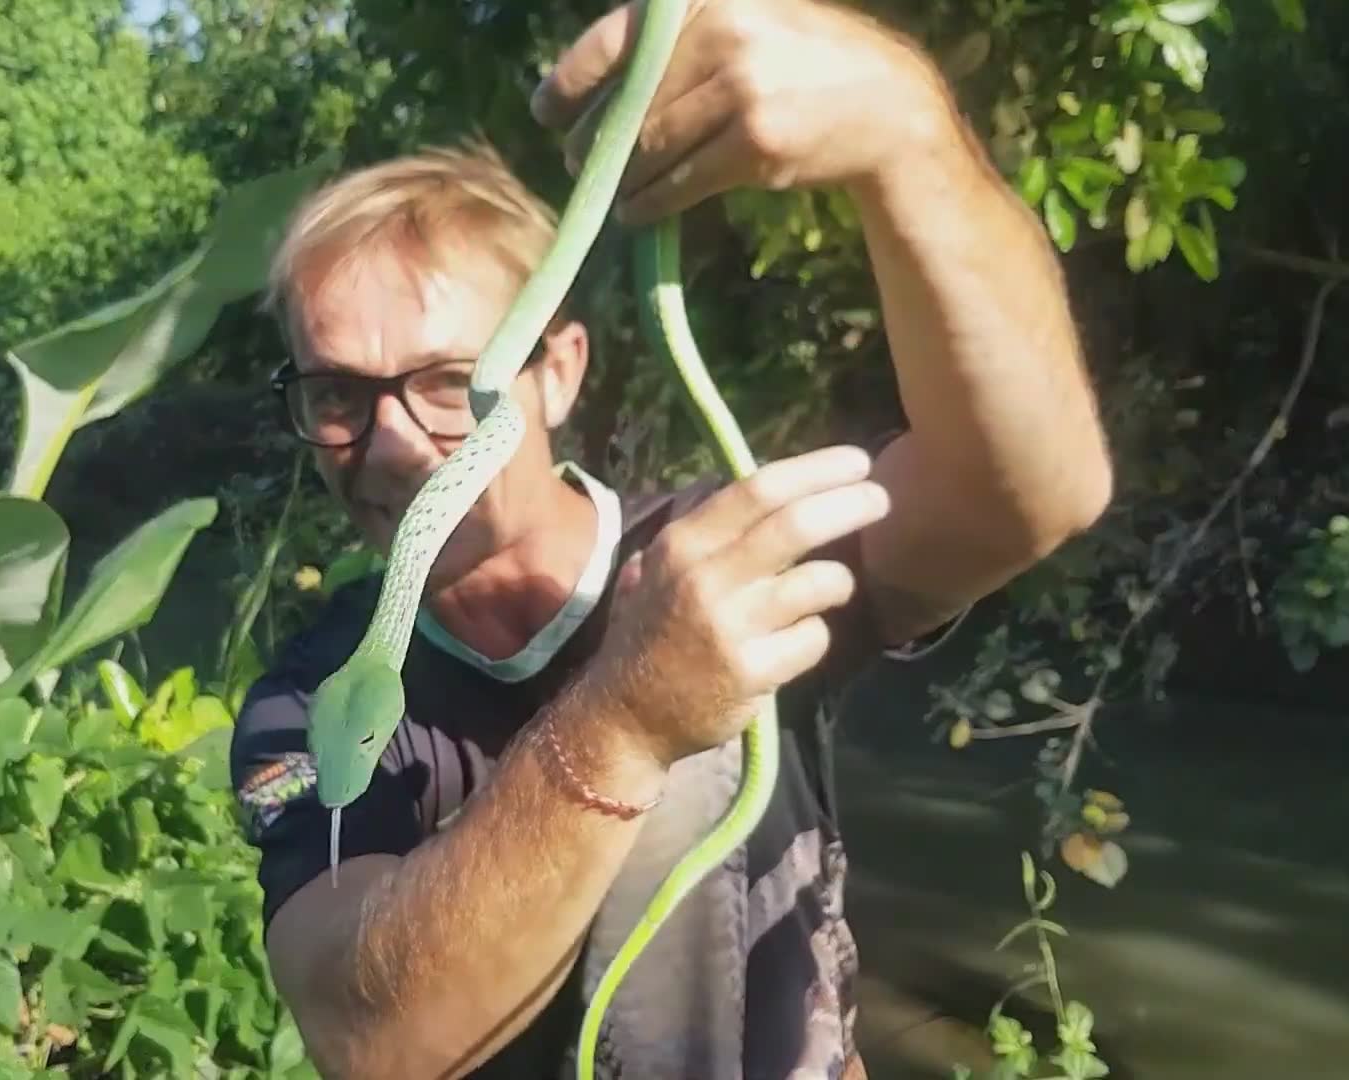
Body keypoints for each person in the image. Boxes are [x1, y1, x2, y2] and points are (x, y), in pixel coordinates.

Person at [228, 1, 1114, 1077]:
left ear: (558, 370)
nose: (394, 445)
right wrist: (630, 716)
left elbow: (1031, 495)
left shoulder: (717, 552)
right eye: (336, 396)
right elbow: (364, 1045)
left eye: (453, 384)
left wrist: (908, 136)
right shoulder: (307, 701)